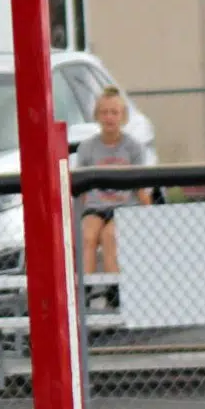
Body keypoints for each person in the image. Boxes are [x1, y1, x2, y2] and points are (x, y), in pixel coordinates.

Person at [70, 87, 154, 302]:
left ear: (123, 116)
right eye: (105, 112)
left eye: (114, 112)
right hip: (96, 206)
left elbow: (140, 187)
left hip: (124, 207)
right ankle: (84, 292)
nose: (109, 117)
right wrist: (73, 217)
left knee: (110, 237)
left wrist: (150, 214)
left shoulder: (133, 147)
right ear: (97, 115)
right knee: (88, 236)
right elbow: (81, 190)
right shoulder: (88, 148)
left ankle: (113, 292)